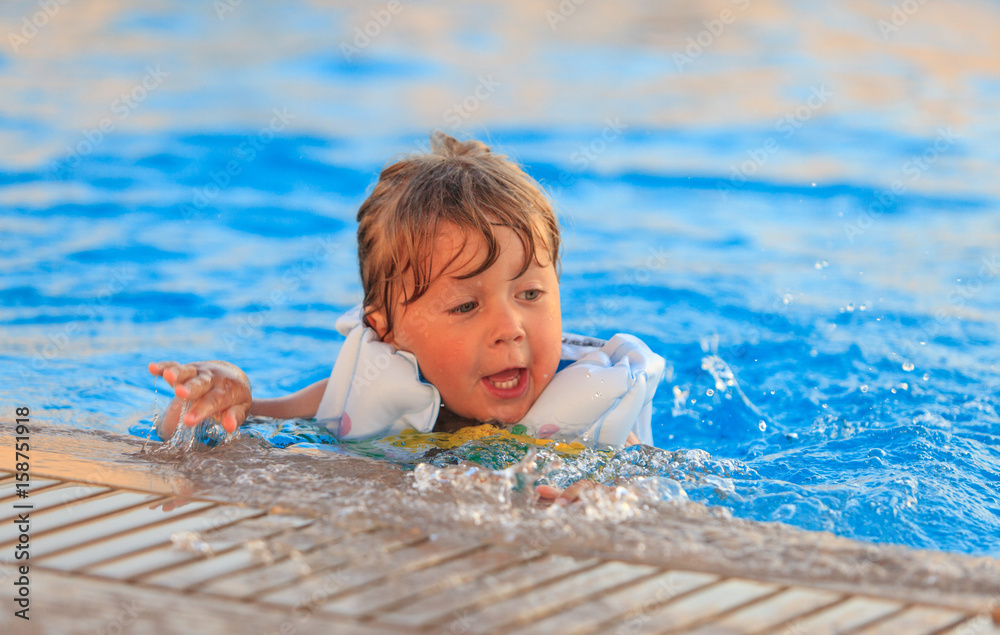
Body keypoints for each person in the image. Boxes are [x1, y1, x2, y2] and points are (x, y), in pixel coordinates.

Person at [150, 132, 665, 502]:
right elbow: (210, 433)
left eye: (530, 293)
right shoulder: (357, 394)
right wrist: (217, 395)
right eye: (466, 305)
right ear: (385, 328)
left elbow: (653, 490)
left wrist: (602, 502)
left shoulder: (598, 404)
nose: (511, 327)